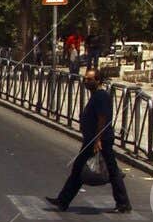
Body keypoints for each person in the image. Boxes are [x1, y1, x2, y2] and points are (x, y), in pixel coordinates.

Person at [47, 67, 130, 214]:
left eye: (89, 79)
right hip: (92, 139)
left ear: (98, 81)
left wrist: (98, 140)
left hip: (100, 140)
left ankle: (123, 203)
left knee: (112, 171)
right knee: (78, 169)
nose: (86, 81)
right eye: (85, 79)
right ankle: (63, 200)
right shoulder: (95, 95)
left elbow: (102, 118)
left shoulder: (101, 96)